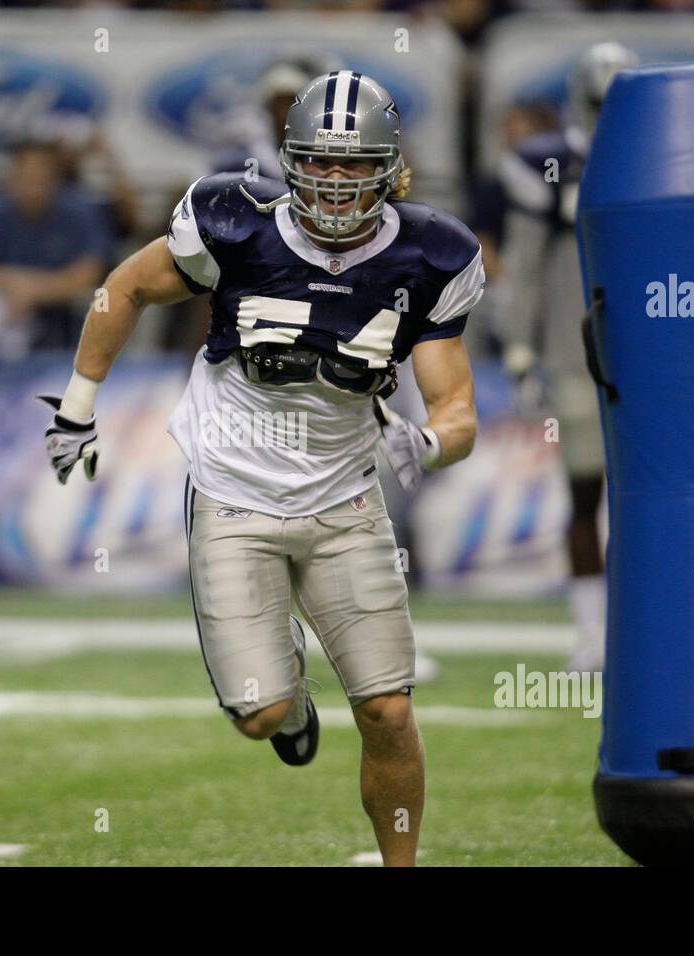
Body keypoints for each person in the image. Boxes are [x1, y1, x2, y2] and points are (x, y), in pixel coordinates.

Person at [39, 72, 483, 866]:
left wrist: (429, 443)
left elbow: (457, 409)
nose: (337, 181)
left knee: (387, 710)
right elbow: (125, 289)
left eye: (355, 165)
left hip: (346, 500)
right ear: (289, 160)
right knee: (259, 712)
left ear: (391, 168)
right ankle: (290, 710)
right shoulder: (235, 220)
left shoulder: (430, 254)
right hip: (234, 495)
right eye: (320, 161)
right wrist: (78, 403)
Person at [495, 41, 639, 674]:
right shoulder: (550, 165)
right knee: (586, 496)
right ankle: (593, 633)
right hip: (577, 355)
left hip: (652, 361)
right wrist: (521, 352)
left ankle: (643, 624)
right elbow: (523, 271)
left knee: (648, 502)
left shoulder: (660, 157)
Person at [0, 139, 109, 360]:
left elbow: (90, 273)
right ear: (12, 177)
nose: (34, 186)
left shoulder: (79, 211)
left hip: (66, 323)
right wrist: (15, 284)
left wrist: (34, 291)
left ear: (56, 179)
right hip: (6, 320)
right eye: (27, 177)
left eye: (42, 178)